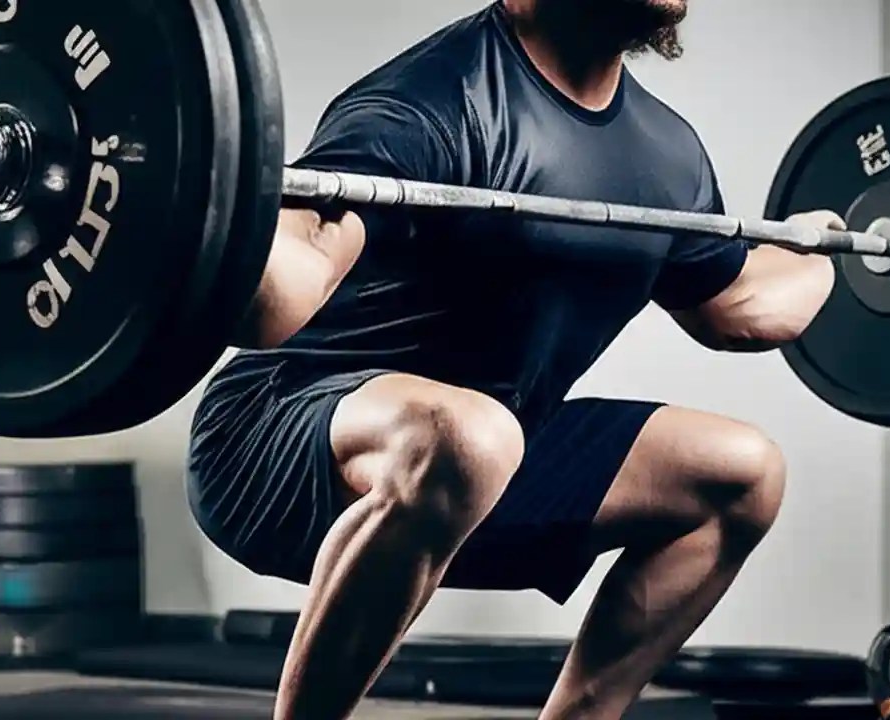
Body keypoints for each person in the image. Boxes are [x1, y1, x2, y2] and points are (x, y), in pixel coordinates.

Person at [188, 0, 841, 717]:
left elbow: (741, 308)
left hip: (482, 458)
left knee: (743, 474)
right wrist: (191, 216)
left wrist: (823, 246)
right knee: (472, 436)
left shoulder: (666, 153)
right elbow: (287, 282)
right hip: (274, 440)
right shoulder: (433, 98)